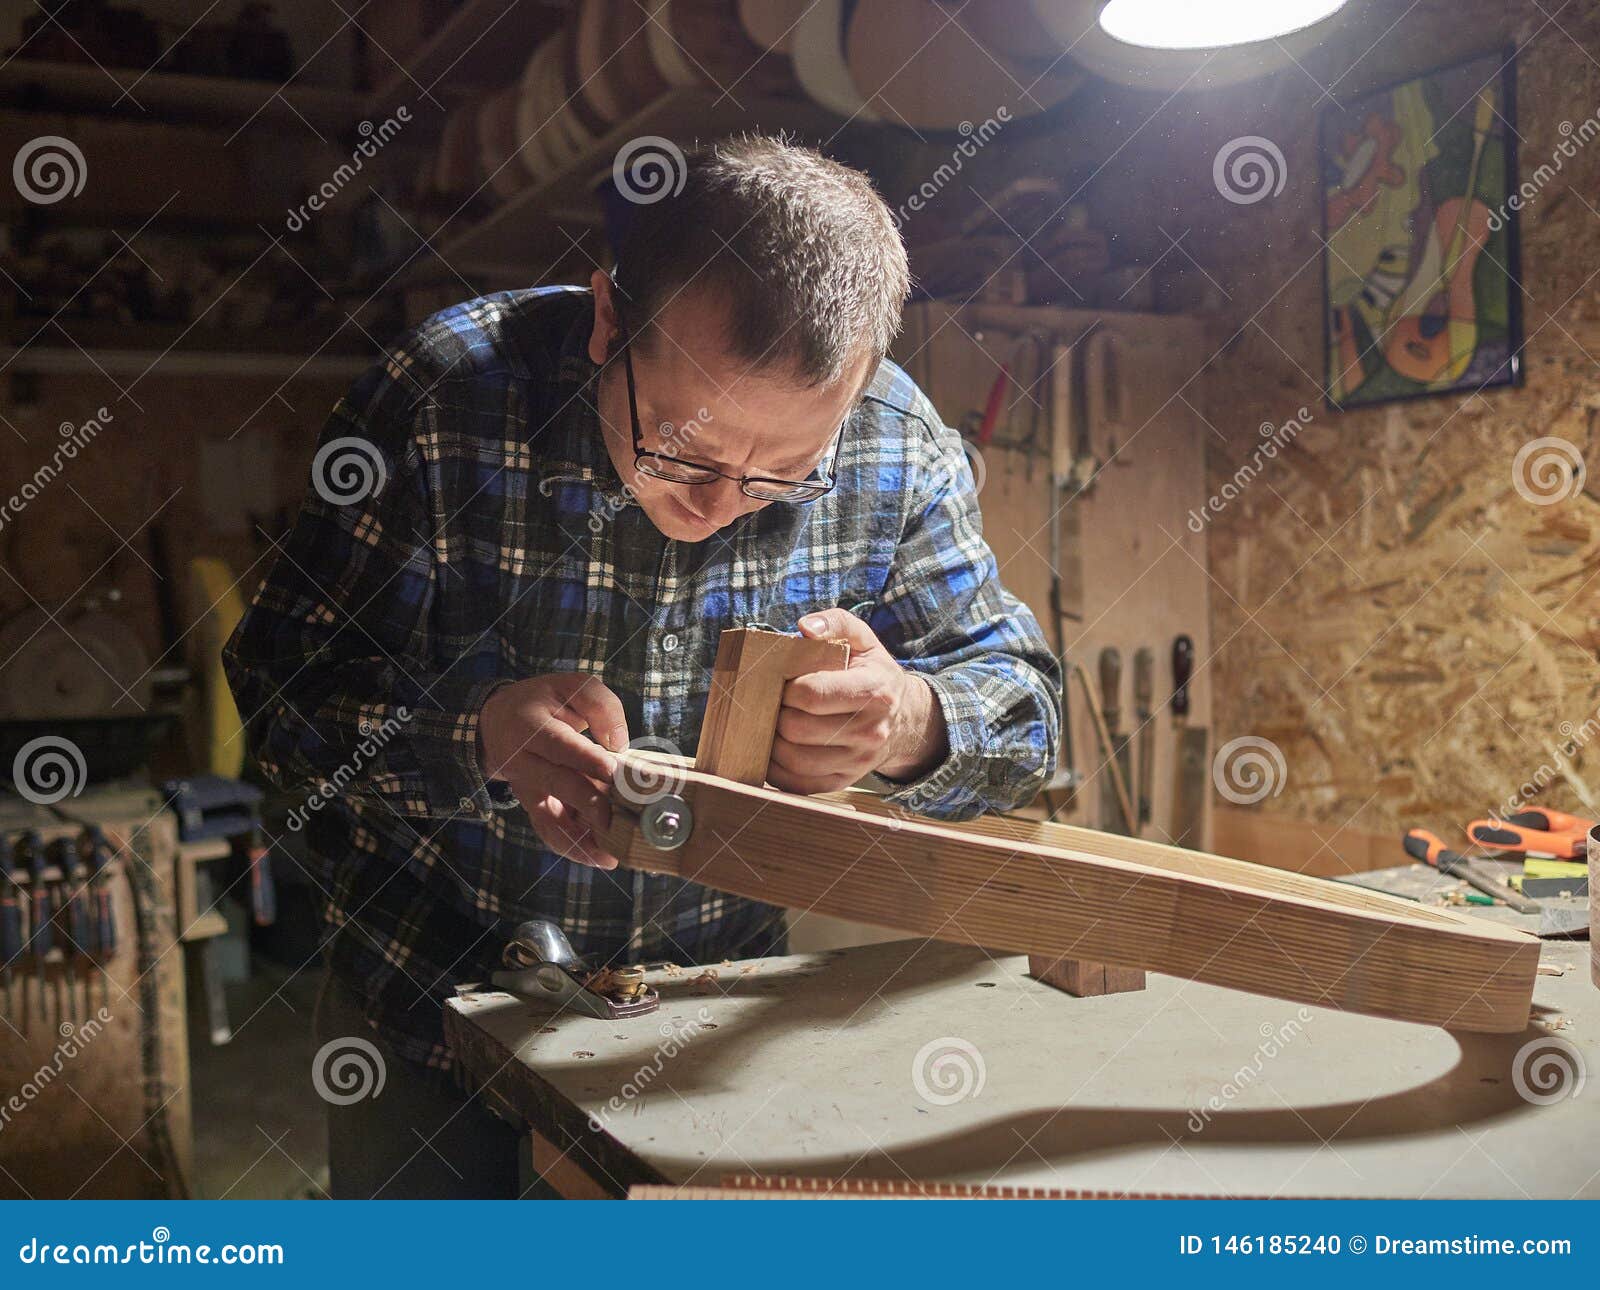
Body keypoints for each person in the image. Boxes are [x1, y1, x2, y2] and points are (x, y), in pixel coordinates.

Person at [223, 135, 1060, 1197]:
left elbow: (1028, 717)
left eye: (785, 477)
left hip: (718, 1010)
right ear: (610, 316)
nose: (714, 510)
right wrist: (472, 734)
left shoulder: (895, 443)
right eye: (678, 449)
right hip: (431, 1002)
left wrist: (908, 721)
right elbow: (276, 699)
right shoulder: (440, 399)